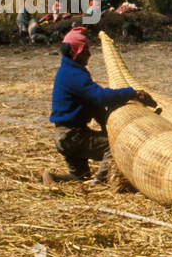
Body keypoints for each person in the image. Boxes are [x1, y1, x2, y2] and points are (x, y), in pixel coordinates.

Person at [42, 26, 155, 185]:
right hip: (73, 135)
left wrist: (107, 126)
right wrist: (131, 93)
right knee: (114, 146)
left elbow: (92, 104)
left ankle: (53, 178)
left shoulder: (68, 71)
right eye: (86, 50)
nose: (89, 54)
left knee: (80, 177)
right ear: (77, 52)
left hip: (62, 135)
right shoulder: (73, 75)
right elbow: (100, 97)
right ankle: (98, 184)